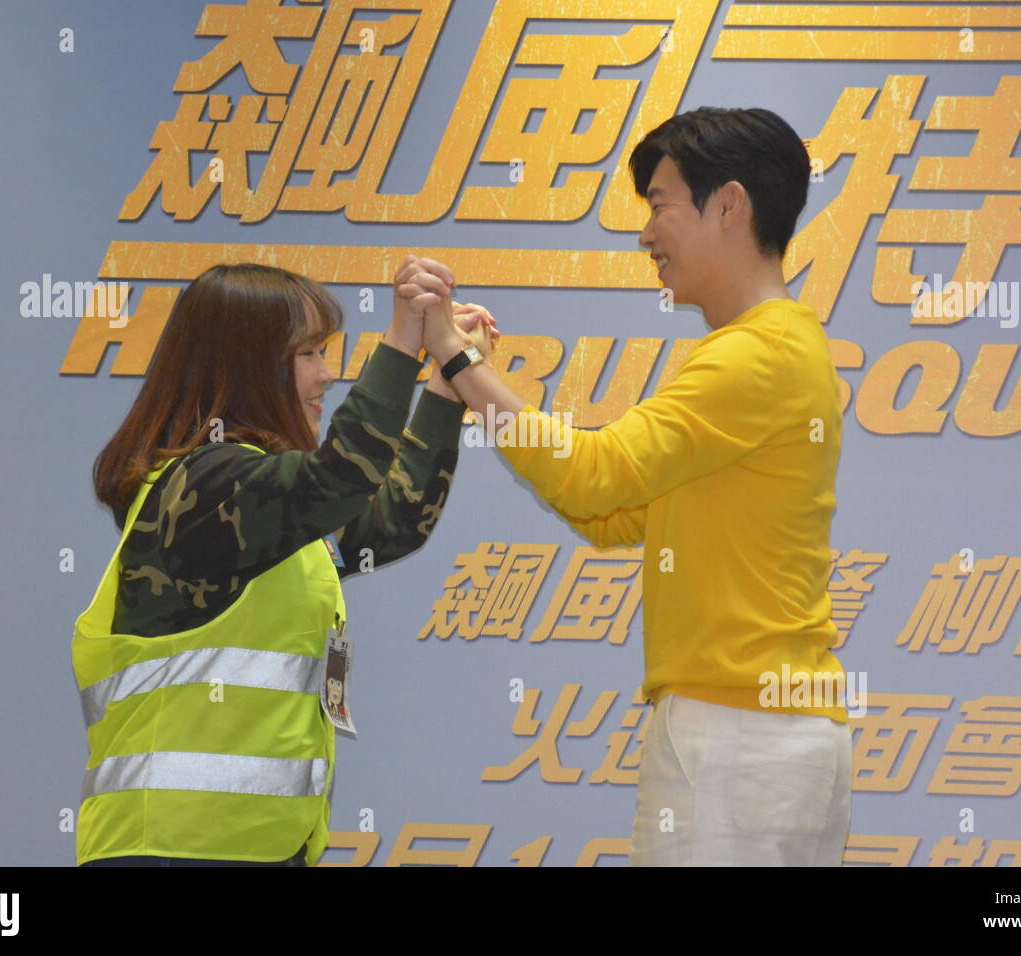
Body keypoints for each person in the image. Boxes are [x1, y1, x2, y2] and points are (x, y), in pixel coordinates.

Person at [407, 107, 852, 866]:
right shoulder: (775, 349)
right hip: (758, 736)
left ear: (730, 204)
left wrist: (455, 358)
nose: (646, 235)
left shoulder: (756, 355)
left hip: (737, 736)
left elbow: (592, 477)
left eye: (660, 205)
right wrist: (474, 377)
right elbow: (612, 514)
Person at [73, 260, 495, 867]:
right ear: (247, 368)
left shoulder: (260, 507)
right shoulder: (207, 485)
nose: (327, 376)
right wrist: (404, 341)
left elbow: (389, 523)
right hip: (170, 848)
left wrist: (447, 386)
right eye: (308, 355)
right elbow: (342, 479)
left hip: (249, 849)